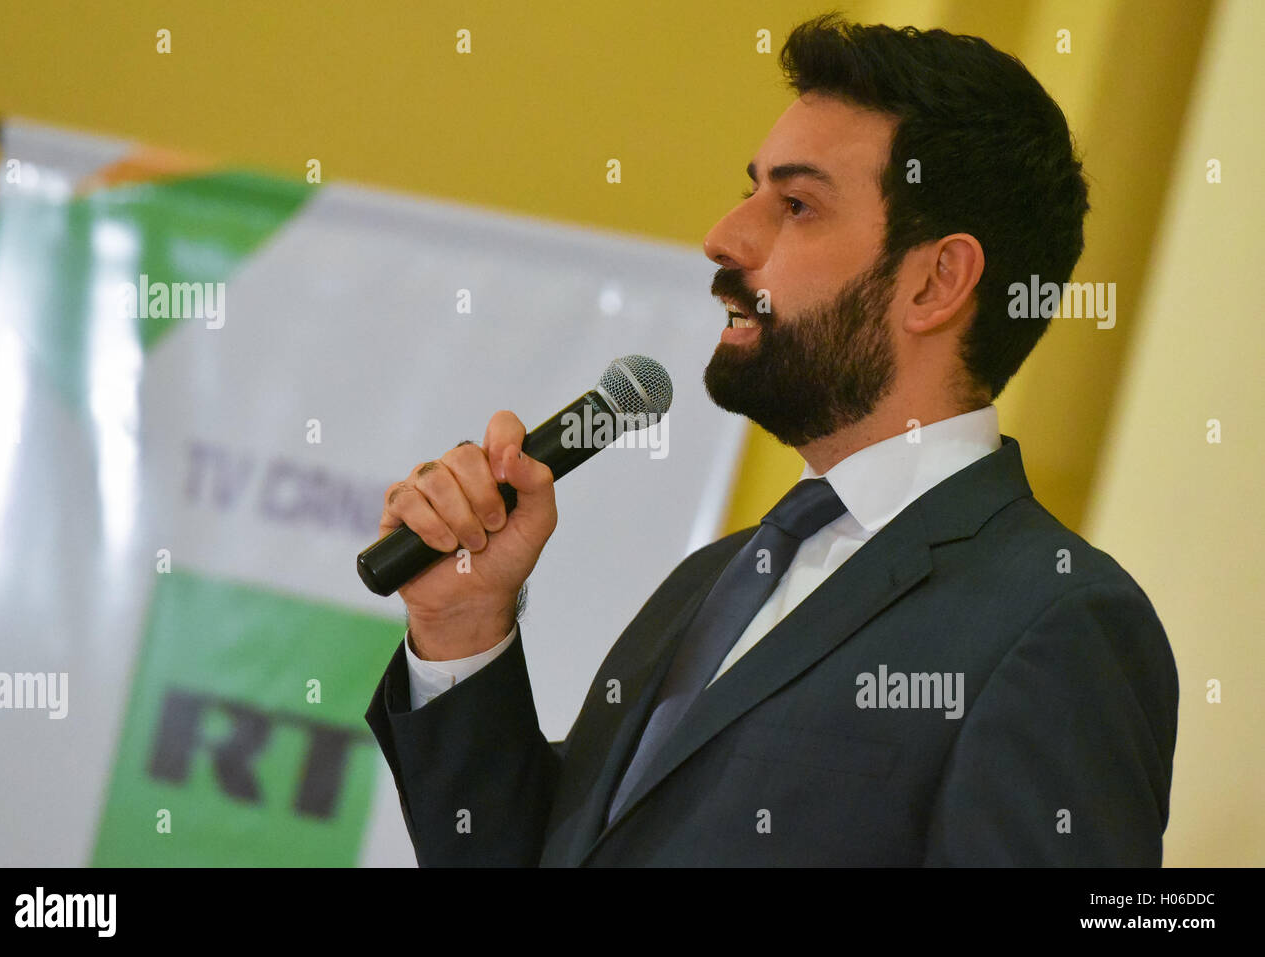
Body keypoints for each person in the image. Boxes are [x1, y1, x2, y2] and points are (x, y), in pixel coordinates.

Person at [365, 11, 1178, 866]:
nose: (725, 236)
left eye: (795, 204)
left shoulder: (1055, 623)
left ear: (937, 281)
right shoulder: (716, 580)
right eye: (751, 190)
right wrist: (463, 625)